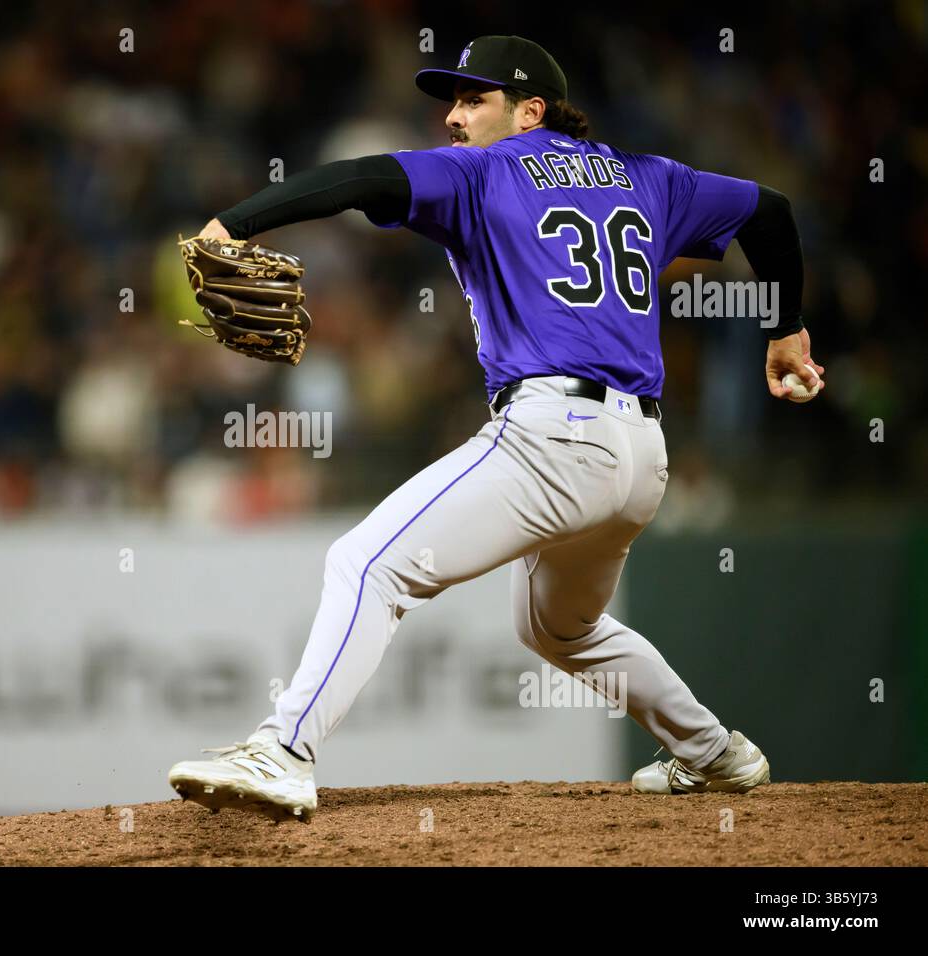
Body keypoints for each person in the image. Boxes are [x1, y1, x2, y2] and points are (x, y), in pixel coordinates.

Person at [167, 35, 819, 822]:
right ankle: (717, 754)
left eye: (473, 99)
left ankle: (283, 751)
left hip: (554, 435)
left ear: (529, 112)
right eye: (452, 100)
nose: (453, 116)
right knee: (560, 628)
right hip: (642, 457)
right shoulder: (653, 178)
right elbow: (772, 213)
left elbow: (355, 178)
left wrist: (229, 225)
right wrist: (785, 332)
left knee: (368, 563)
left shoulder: (488, 168)